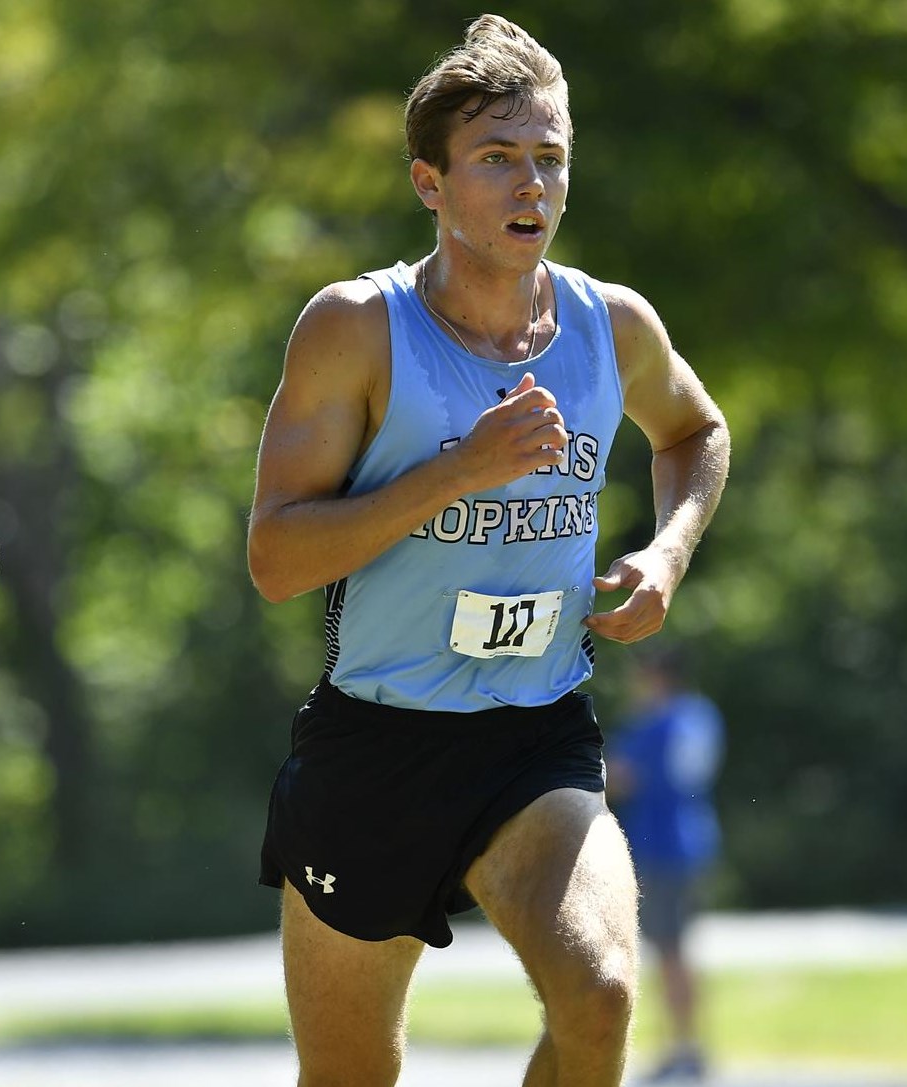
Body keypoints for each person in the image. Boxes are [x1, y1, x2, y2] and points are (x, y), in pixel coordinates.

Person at [248, 15, 731, 1087]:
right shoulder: (357, 326)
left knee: (600, 994)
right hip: (377, 742)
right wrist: (456, 472)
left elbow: (697, 433)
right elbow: (277, 559)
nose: (533, 186)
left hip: (536, 734)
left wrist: (668, 552)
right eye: (498, 159)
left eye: (550, 159)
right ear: (430, 182)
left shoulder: (616, 327)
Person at [607, 644, 723, 1082]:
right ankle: (688, 1043)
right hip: (695, 839)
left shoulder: (654, 722)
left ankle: (684, 1047)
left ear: (655, 675)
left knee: (668, 952)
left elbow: (619, 779)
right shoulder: (700, 714)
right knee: (678, 949)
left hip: (659, 847)